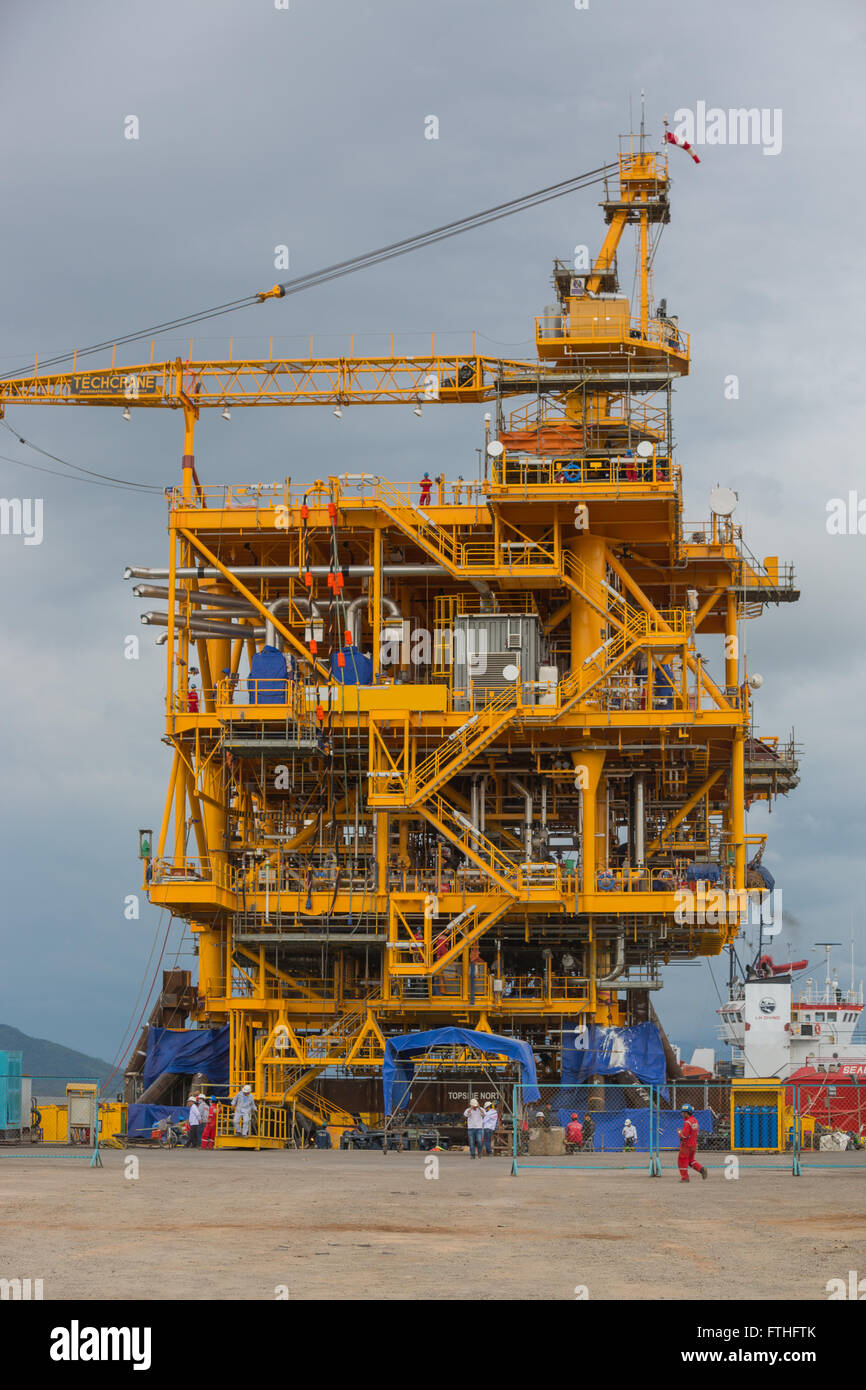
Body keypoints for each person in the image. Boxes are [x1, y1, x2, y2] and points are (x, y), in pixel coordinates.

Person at [678, 1103, 708, 1182]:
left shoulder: (687, 1123)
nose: (682, 1114)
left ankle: (685, 1178)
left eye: (683, 1112)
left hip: (686, 1145)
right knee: (691, 1160)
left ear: (686, 1113)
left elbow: (684, 1135)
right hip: (693, 1144)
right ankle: (701, 1169)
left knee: (682, 1161)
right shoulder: (694, 1121)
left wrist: (679, 1133)